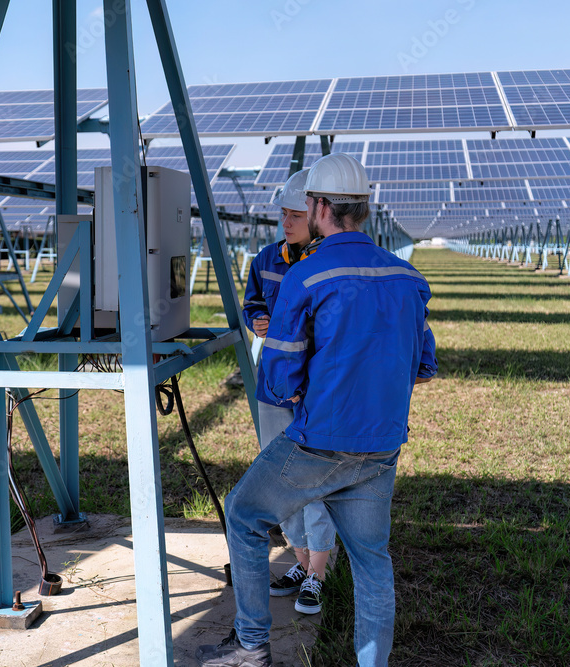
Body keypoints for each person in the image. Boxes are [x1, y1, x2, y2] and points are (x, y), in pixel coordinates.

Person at [198, 153, 438, 667]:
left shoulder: (307, 276)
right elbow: (423, 366)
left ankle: (251, 645)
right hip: (380, 448)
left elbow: (279, 378)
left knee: (243, 513)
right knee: (373, 563)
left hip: (318, 442)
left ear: (320, 207)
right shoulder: (409, 279)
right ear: (365, 210)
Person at [241, 169, 335, 616]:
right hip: (274, 386)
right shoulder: (266, 259)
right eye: (283, 213)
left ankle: (318, 571)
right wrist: (256, 318)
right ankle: (299, 561)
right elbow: (252, 301)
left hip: (314, 388)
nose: (287, 221)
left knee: (313, 478)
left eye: (296, 213)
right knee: (280, 476)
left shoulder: (326, 263)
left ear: (317, 215)